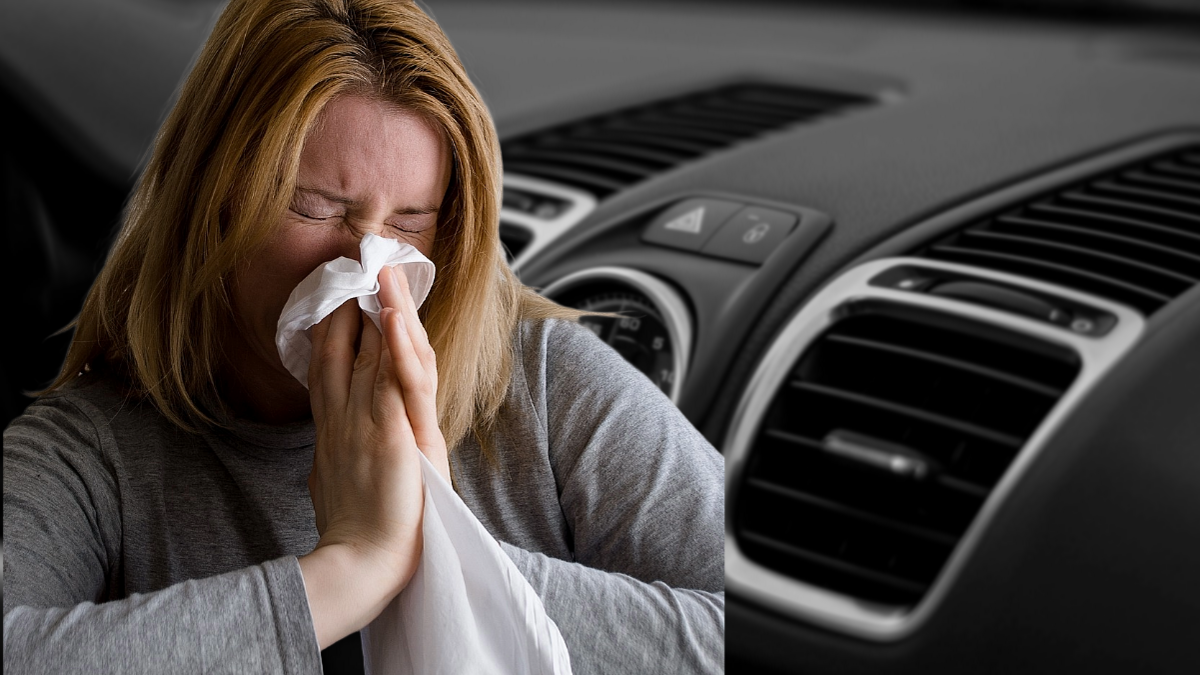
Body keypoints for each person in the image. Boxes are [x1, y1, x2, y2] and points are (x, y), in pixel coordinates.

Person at [1, 0, 724, 673]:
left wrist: (448, 555)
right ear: (212, 203)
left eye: (410, 223)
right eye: (317, 208)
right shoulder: (93, 451)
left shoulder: (539, 376)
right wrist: (355, 567)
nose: (368, 266)